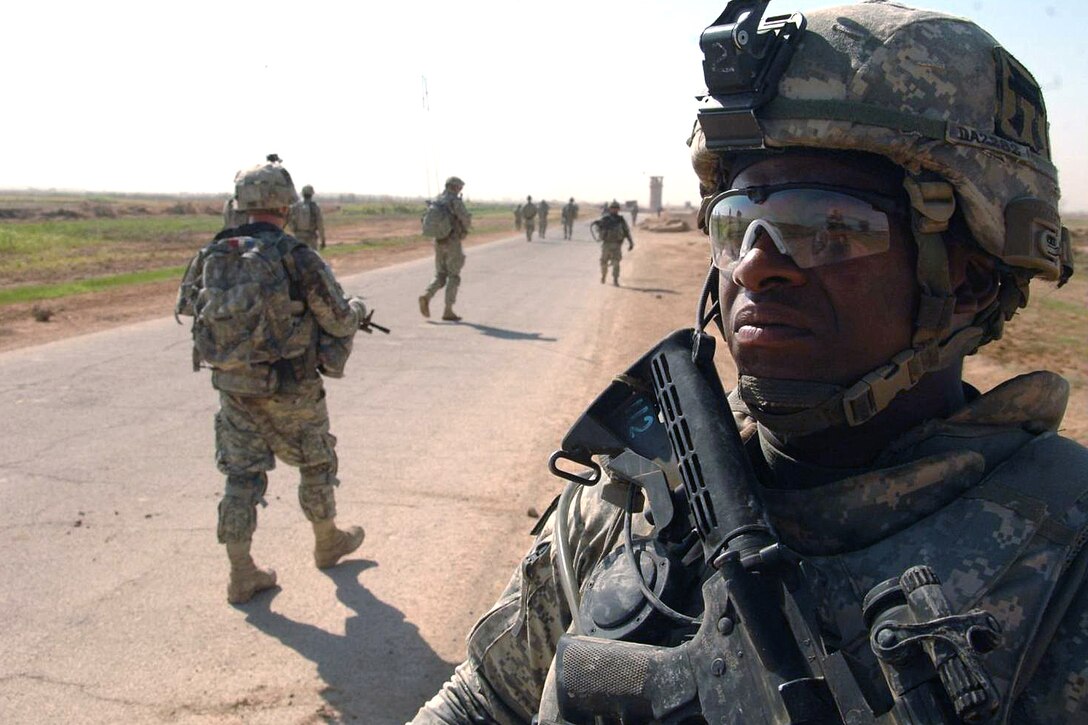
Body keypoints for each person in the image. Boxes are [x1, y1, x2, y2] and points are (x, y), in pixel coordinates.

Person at [412, 2, 1085, 722]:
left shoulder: (1065, 569)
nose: (756, 267)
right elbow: (484, 700)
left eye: (829, 227)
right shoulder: (637, 502)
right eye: (737, 222)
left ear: (969, 282)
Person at [176, 156, 367, 606]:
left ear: (240, 204)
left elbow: (189, 306)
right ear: (285, 204)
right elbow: (338, 320)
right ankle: (327, 541)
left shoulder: (213, 253)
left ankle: (241, 572)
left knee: (241, 477)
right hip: (290, 386)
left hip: (233, 386)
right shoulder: (295, 256)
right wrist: (356, 308)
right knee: (316, 462)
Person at [418, 176, 472, 322]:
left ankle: (427, 295)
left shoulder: (437, 200)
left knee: (440, 274)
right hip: (452, 241)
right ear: (454, 187)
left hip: (438, 241)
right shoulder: (455, 201)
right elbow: (465, 220)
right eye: (459, 187)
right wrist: (465, 228)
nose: (460, 190)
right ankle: (448, 310)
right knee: (453, 276)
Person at [591, 199, 633, 285]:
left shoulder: (621, 220)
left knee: (616, 262)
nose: (614, 209)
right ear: (610, 209)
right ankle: (603, 276)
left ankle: (615, 279)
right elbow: (598, 229)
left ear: (618, 209)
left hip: (617, 245)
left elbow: (626, 231)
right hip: (606, 244)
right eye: (613, 208)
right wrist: (599, 226)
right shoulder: (605, 219)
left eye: (616, 208)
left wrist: (631, 242)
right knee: (603, 262)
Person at [287, 184, 326, 250]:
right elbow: (320, 225)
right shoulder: (315, 207)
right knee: (313, 258)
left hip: (298, 236)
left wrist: (294, 229)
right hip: (311, 238)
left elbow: (289, 219)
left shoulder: (295, 206)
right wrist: (323, 240)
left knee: (299, 257)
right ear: (312, 194)